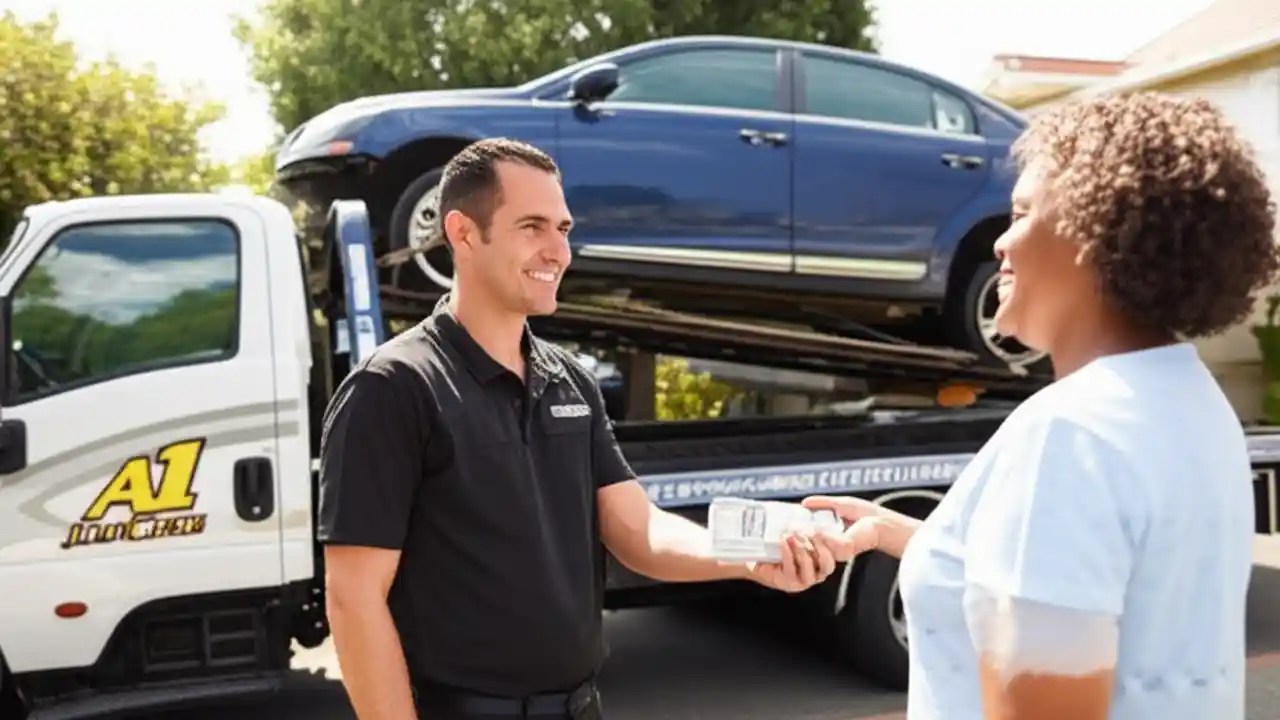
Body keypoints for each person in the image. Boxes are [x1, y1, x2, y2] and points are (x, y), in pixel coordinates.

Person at [317, 137, 837, 720]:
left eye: (563, 229)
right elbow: (353, 597)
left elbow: (640, 533)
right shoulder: (393, 388)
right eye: (532, 227)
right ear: (463, 233)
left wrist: (749, 555)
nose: (558, 251)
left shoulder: (570, 381)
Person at [806, 92, 1280, 720]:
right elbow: (1104, 588)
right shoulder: (1191, 403)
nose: (1000, 245)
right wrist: (913, 540)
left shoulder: (1071, 433)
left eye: (1021, 214)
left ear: (1095, 231)